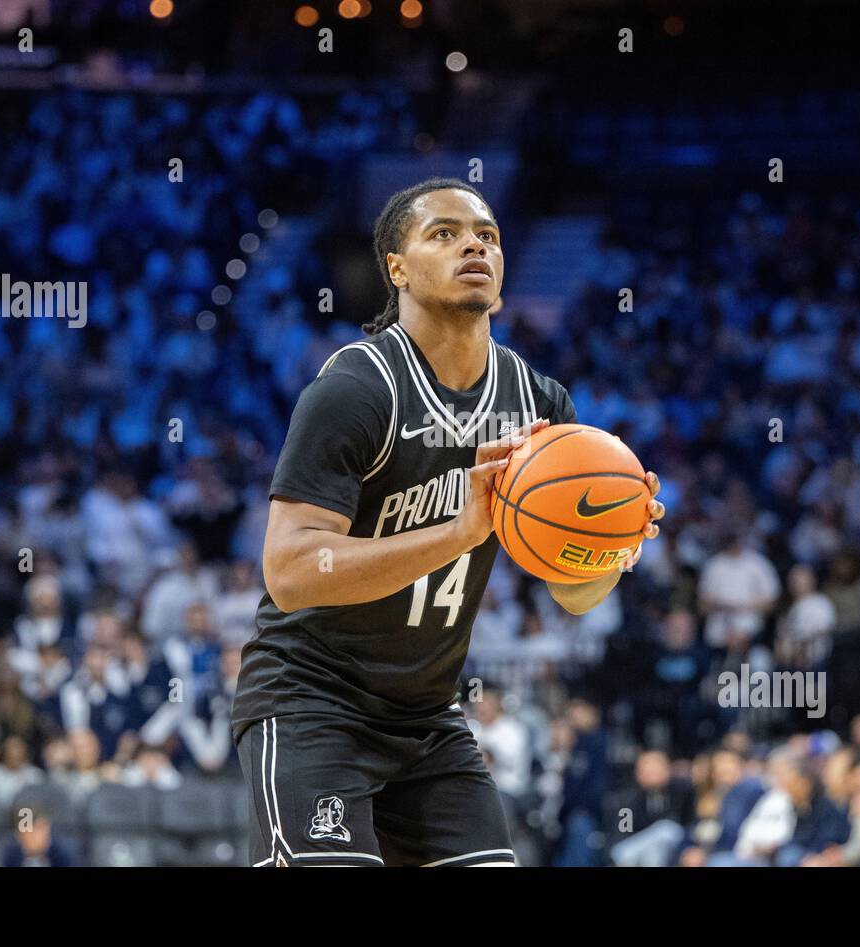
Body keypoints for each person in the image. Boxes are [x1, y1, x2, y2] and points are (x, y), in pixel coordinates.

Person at [230, 178, 664, 867]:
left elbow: (572, 595)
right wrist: (458, 532)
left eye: (486, 235)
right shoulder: (356, 389)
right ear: (396, 269)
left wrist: (613, 541)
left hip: (427, 717)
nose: (473, 245)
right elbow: (288, 575)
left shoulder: (540, 405)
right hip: (312, 704)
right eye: (445, 233)